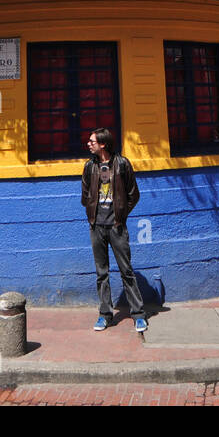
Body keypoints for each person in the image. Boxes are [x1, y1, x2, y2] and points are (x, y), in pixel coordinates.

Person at [81, 128, 147, 333]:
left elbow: (133, 194)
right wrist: (92, 213)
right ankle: (105, 315)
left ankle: (138, 315)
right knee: (102, 273)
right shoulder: (89, 166)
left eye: (92, 141)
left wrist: (120, 215)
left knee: (126, 271)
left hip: (117, 226)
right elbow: (85, 193)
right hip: (96, 226)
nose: (88, 144)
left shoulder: (122, 164)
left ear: (103, 144)